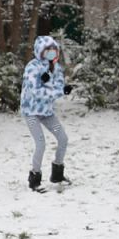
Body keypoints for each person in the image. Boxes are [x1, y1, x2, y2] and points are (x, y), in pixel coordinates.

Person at [20, 34, 74, 191]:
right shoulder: (32, 67)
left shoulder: (55, 67)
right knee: (41, 143)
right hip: (31, 112)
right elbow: (35, 92)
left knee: (63, 138)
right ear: (40, 50)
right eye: (47, 49)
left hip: (46, 112)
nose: (51, 52)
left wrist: (61, 89)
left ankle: (57, 173)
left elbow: (58, 86)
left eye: (53, 49)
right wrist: (55, 89)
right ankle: (34, 178)